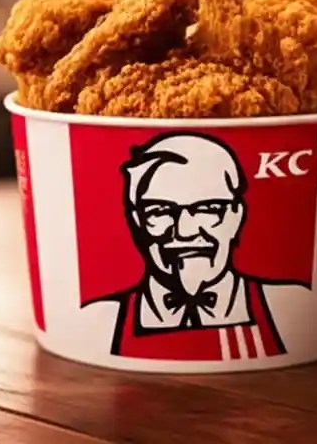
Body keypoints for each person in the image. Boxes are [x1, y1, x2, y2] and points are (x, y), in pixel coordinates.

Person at [82, 132, 305, 361]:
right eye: (160, 212)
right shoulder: (102, 320)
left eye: (209, 209)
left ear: (236, 216)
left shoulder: (287, 307)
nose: (185, 231)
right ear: (137, 221)